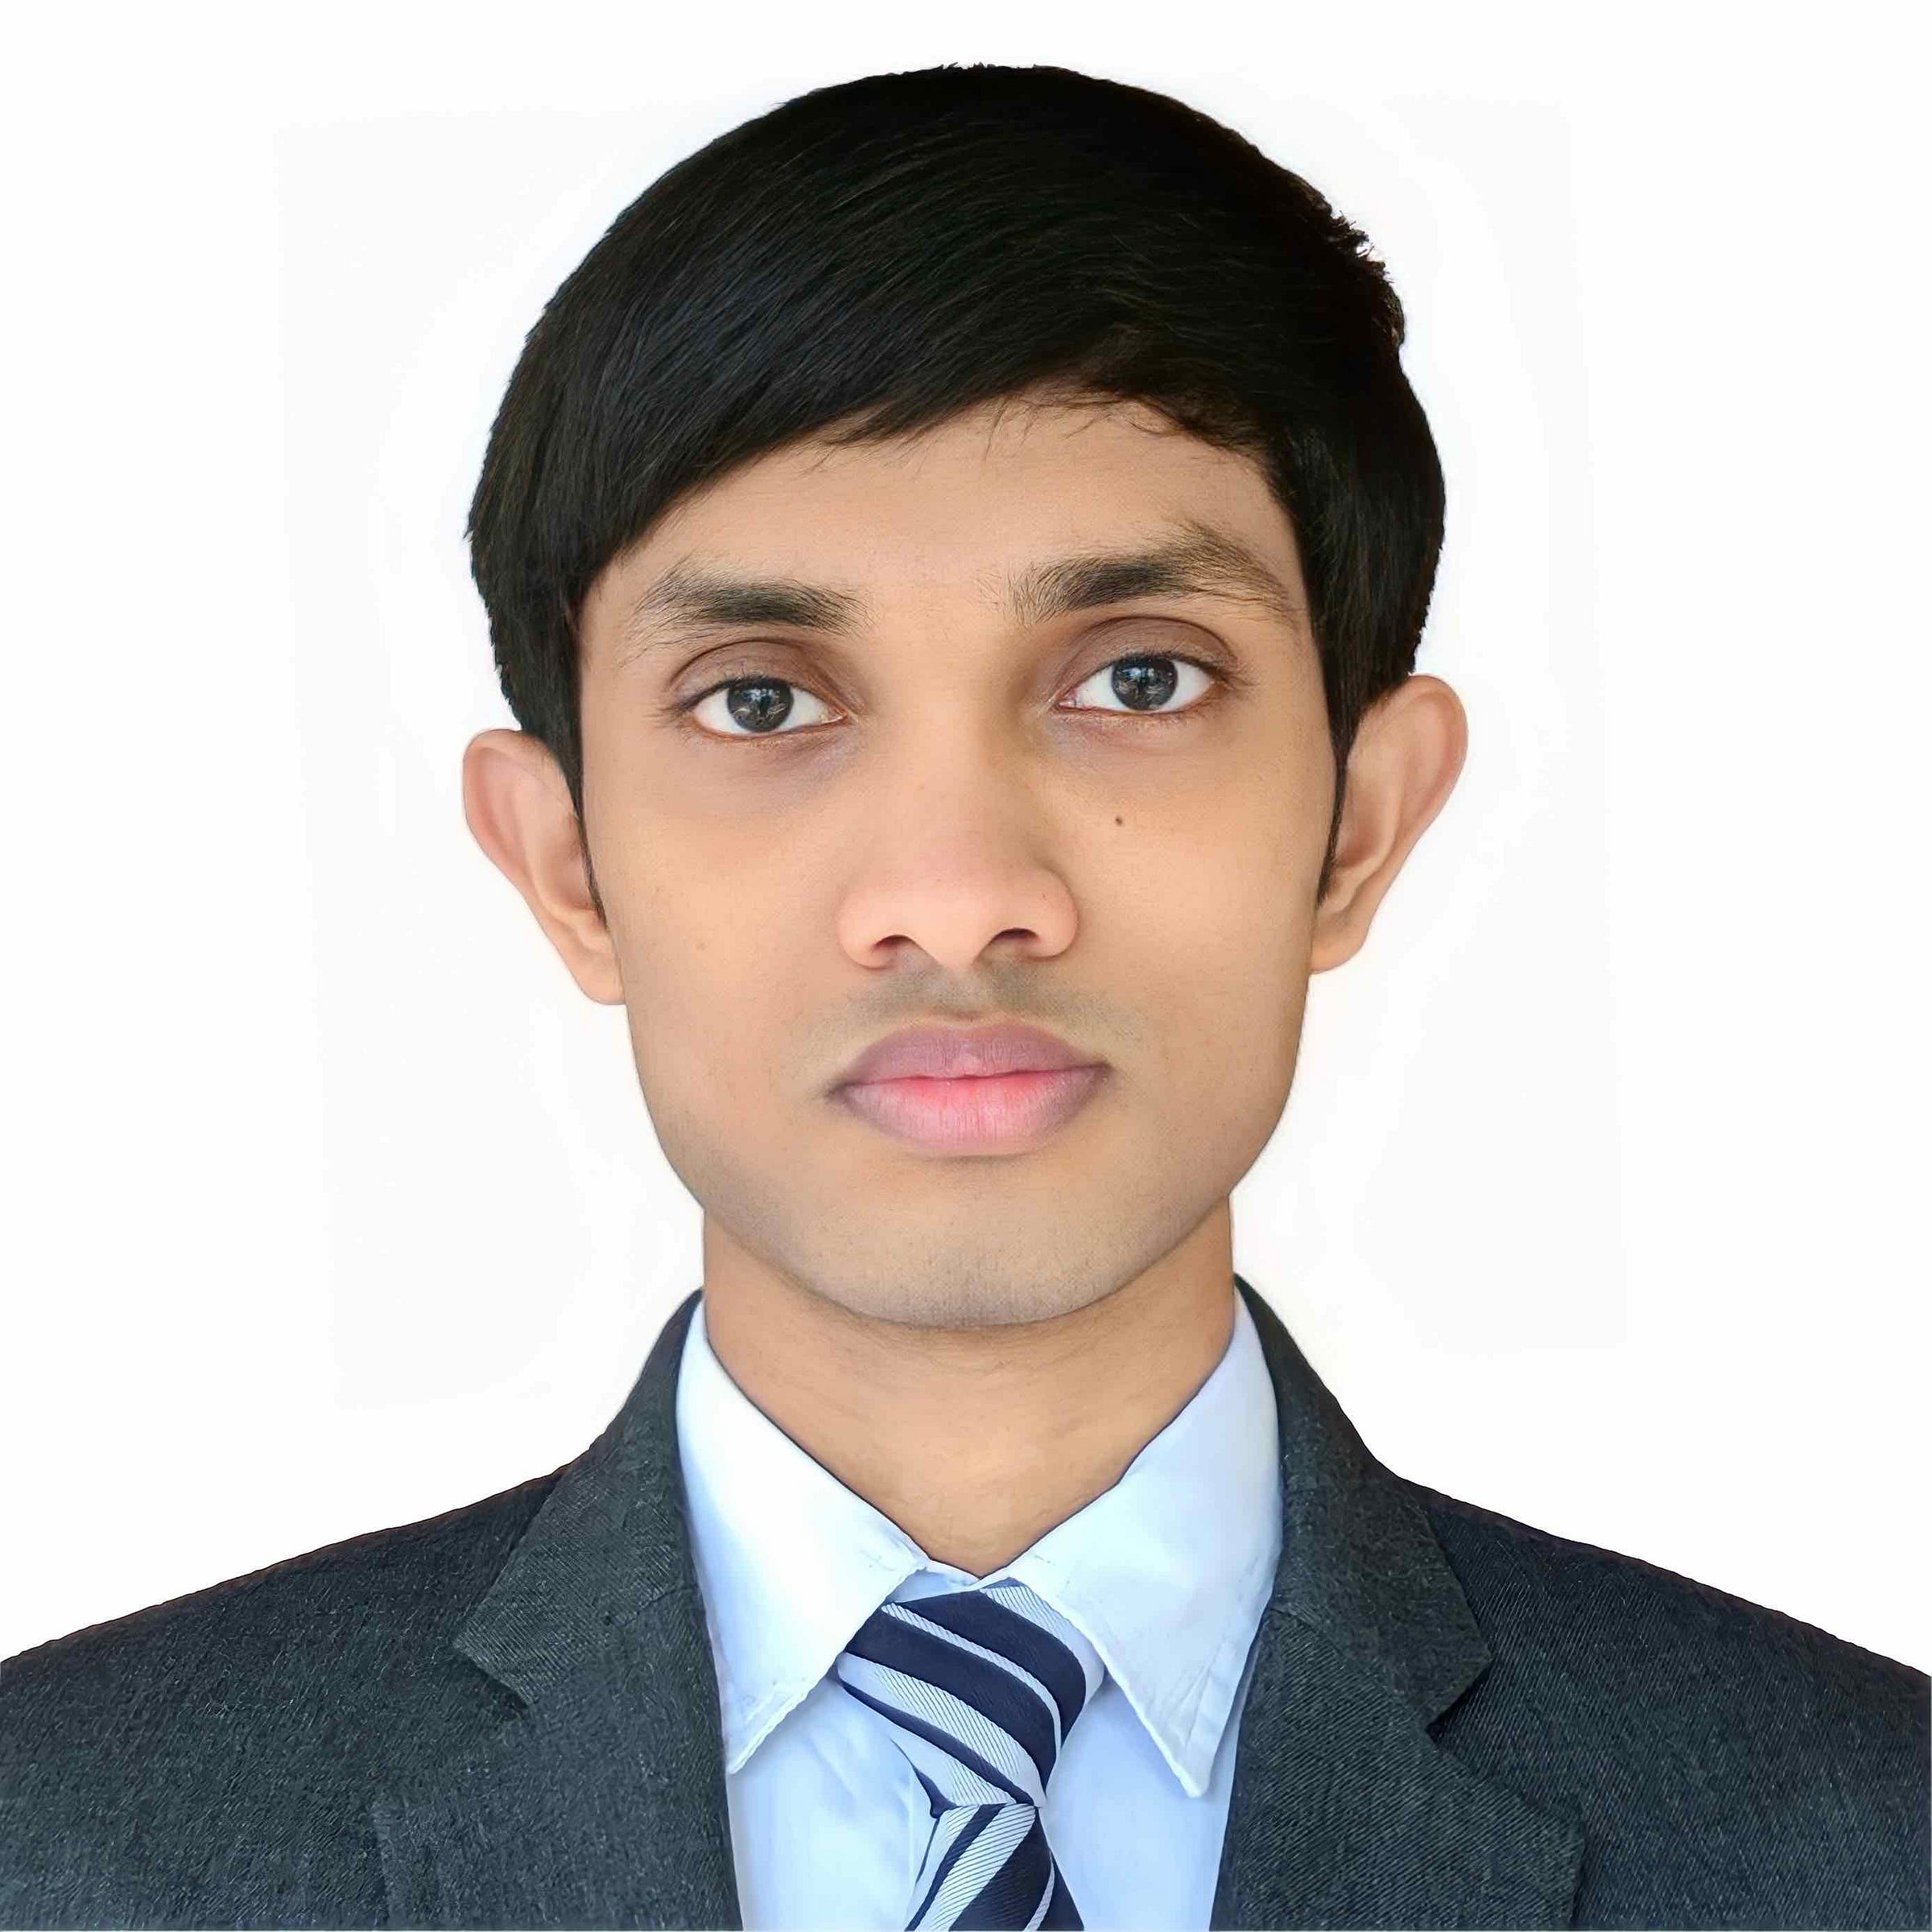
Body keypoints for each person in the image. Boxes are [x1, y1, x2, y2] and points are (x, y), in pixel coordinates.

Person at [2, 60, 1924, 1932]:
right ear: (566, 864)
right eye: (762, 699)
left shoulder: (1872, 1845)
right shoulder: (62, 1846)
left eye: (1141, 678)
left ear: (1358, 824)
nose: (957, 897)